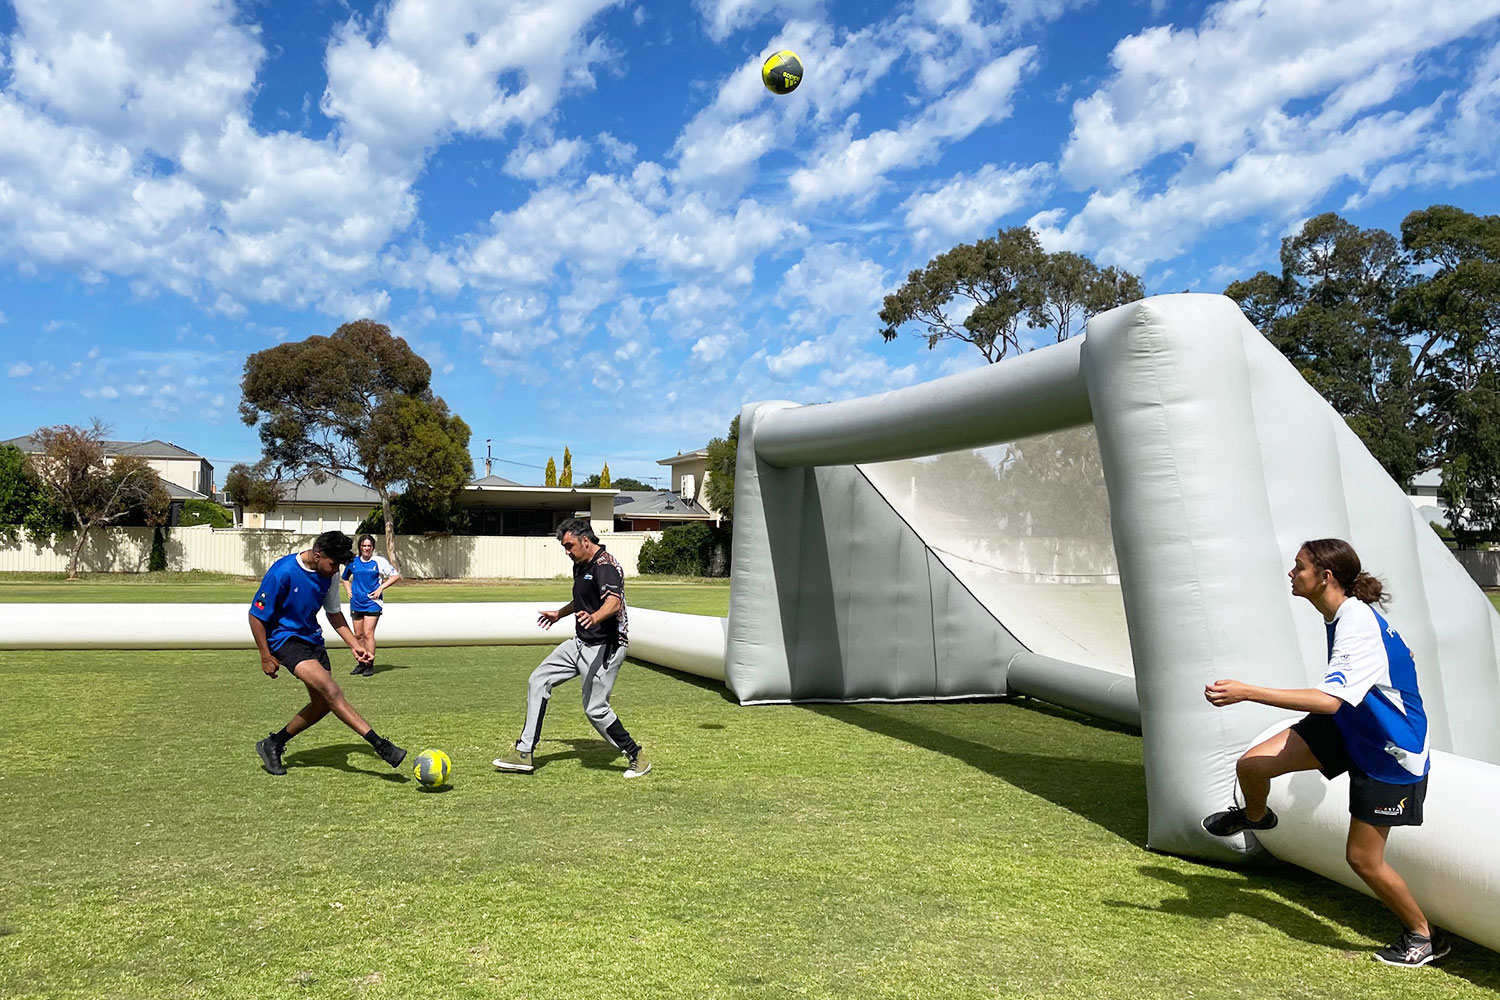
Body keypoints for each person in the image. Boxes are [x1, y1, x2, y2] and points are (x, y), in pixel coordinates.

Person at [1202, 538, 1442, 968]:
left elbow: (1330, 700)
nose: (1291, 574)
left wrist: (1247, 692)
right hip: (1351, 725)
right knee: (1251, 765)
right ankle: (1256, 817)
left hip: (1391, 752)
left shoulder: (1356, 623)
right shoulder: (1340, 614)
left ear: (1324, 577)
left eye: (1299, 567)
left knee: (1362, 860)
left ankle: (1422, 937)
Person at [493, 518, 650, 779]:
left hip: (606, 647)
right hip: (579, 643)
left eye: (569, 546)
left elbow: (613, 603)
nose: (567, 552)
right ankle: (524, 753)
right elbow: (581, 599)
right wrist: (560, 614)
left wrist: (595, 617)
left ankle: (636, 755)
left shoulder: (606, 566)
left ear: (585, 540)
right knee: (538, 680)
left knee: (595, 710)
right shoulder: (581, 564)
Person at [249, 530, 407, 777]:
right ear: (317, 554)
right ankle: (382, 746)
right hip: (285, 640)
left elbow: (334, 613)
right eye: (333, 564)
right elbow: (256, 616)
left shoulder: (329, 575)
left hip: (312, 640)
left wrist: (355, 645)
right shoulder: (283, 572)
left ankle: (273, 743)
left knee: (322, 704)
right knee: (332, 691)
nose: (336, 571)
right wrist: (265, 656)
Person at [341, 533, 401, 676]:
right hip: (356, 602)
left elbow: (395, 575)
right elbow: (344, 578)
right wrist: (349, 590)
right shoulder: (353, 562)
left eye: (369, 546)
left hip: (372, 603)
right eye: (364, 546)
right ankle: (361, 663)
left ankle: (369, 664)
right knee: (358, 635)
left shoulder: (379, 561)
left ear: (373, 547)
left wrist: (380, 588)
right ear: (360, 547)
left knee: (368, 633)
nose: (366, 548)